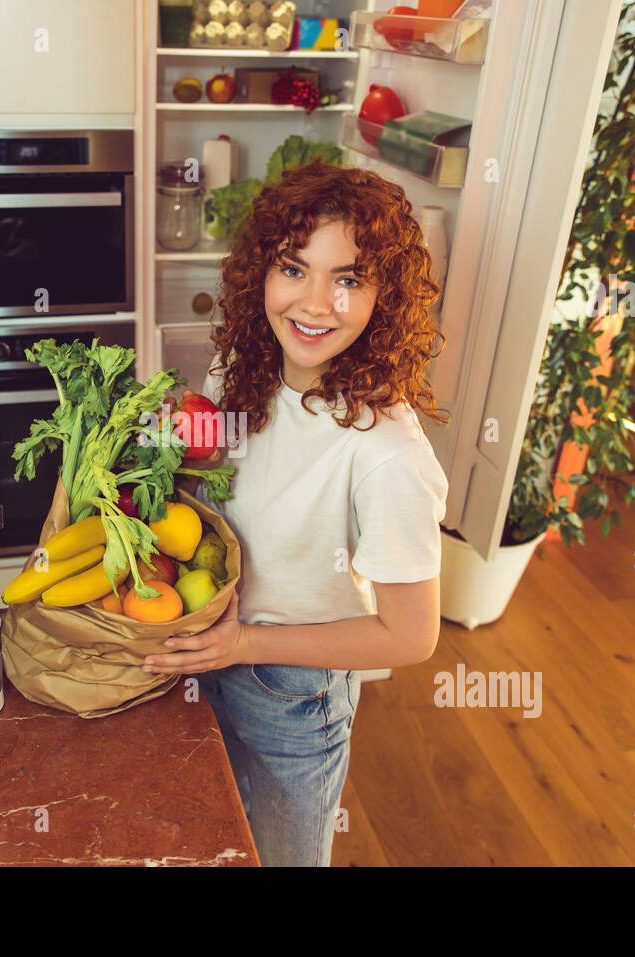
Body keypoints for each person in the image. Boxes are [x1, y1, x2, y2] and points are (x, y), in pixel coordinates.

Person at [143, 160, 450, 867]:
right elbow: (222, 483)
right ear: (262, 275)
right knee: (209, 838)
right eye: (294, 267)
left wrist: (247, 646)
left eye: (348, 279)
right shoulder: (242, 367)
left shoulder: (385, 454)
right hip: (206, 642)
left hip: (292, 696)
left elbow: (410, 636)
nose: (315, 303)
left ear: (385, 296)